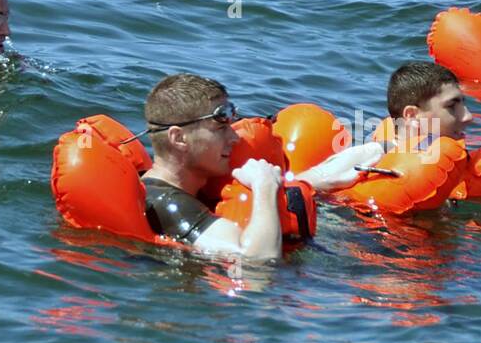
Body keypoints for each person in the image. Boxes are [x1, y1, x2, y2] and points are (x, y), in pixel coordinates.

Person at [140, 73, 382, 259]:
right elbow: (256, 262)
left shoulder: (184, 190)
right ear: (178, 138)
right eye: (220, 128)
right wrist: (264, 186)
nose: (234, 138)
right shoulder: (168, 204)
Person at [383, 61, 472, 145]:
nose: (468, 117)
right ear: (412, 115)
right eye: (451, 106)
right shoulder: (376, 158)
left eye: (463, 104)